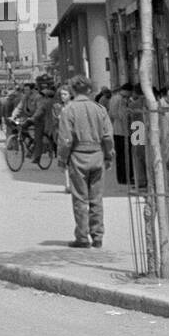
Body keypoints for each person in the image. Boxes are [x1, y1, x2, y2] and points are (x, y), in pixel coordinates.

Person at [58, 74, 113, 247]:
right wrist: (109, 155)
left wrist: (62, 159)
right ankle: (98, 236)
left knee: (80, 199)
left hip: (78, 156)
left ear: (73, 90)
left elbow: (66, 139)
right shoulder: (99, 109)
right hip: (97, 154)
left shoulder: (69, 110)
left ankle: (82, 237)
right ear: (89, 90)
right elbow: (107, 136)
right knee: (96, 198)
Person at [107, 84, 131, 185]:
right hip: (124, 131)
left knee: (120, 156)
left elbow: (111, 114)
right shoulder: (122, 100)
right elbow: (122, 115)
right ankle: (126, 177)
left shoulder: (113, 98)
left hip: (116, 130)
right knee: (126, 156)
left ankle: (121, 178)